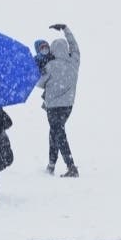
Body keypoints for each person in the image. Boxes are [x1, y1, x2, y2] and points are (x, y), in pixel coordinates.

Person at [36, 23, 81, 177]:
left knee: (58, 133)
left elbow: (39, 84)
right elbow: (75, 46)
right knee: (55, 131)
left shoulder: (50, 66)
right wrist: (66, 29)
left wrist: (39, 70)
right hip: (68, 106)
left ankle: (71, 166)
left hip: (53, 107)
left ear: (53, 50)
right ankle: (51, 164)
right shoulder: (74, 61)